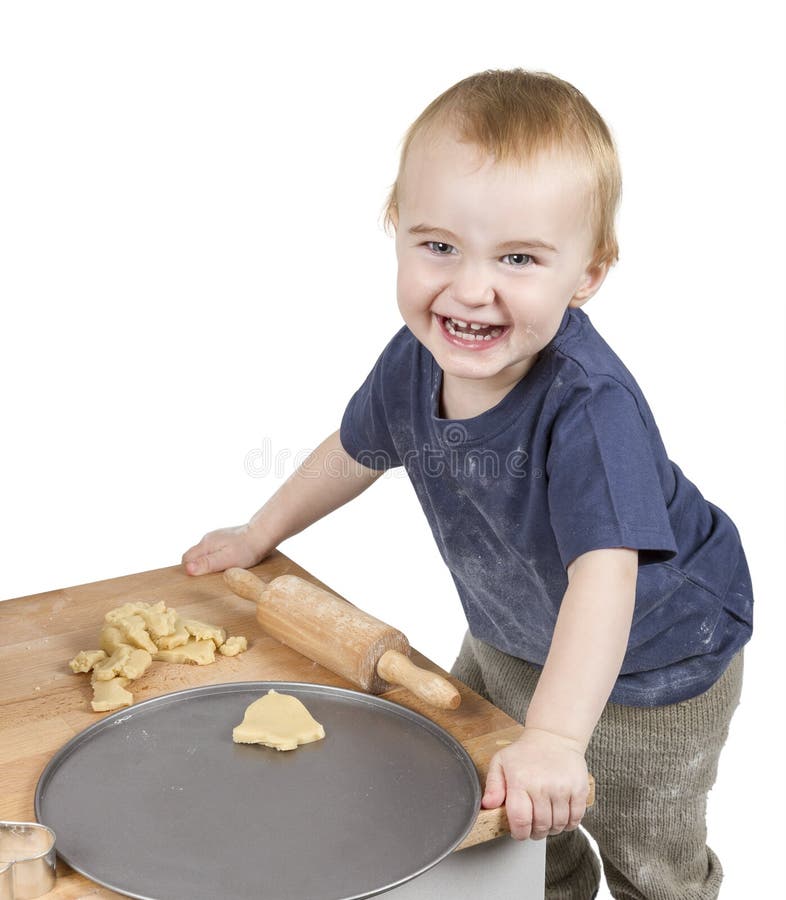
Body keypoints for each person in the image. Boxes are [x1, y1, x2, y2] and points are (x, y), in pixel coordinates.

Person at [182, 69, 752, 900]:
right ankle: (548, 882)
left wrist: (557, 736)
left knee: (645, 850)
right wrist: (259, 533)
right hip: (511, 635)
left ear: (587, 274)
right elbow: (356, 447)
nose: (471, 288)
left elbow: (607, 576)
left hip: (651, 667)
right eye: (439, 245)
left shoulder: (591, 411)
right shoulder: (417, 358)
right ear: (397, 229)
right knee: (496, 809)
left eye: (519, 258)